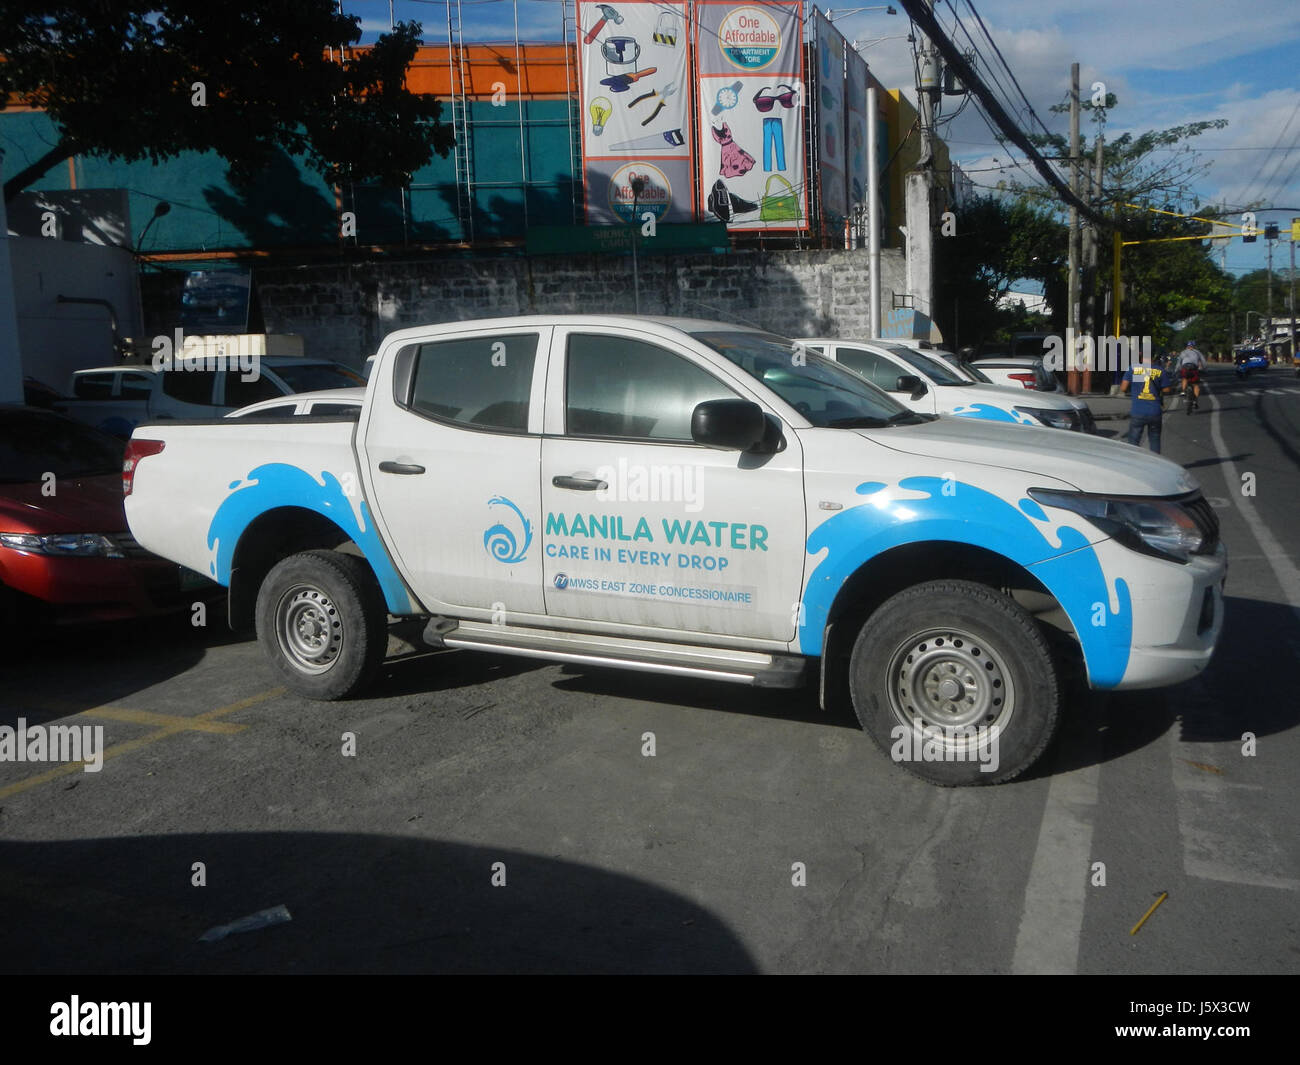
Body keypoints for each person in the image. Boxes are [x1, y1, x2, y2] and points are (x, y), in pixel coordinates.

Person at [1121, 351, 1172, 452]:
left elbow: (1123, 388)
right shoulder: (1160, 370)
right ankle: (1155, 464)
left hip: (1138, 411)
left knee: (1133, 442)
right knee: (1155, 440)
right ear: (1153, 357)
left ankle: (1133, 465)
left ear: (1140, 356)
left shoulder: (1132, 368)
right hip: (1155, 412)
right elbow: (1167, 390)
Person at [1177, 339, 1207, 411]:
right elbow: (1203, 361)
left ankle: (1183, 391)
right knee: (1196, 385)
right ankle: (1195, 401)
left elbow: (1179, 362)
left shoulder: (1183, 352)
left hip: (1185, 368)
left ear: (1187, 346)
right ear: (1194, 346)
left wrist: (1177, 370)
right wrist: (1205, 369)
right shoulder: (1198, 352)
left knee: (1184, 378)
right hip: (1194, 368)